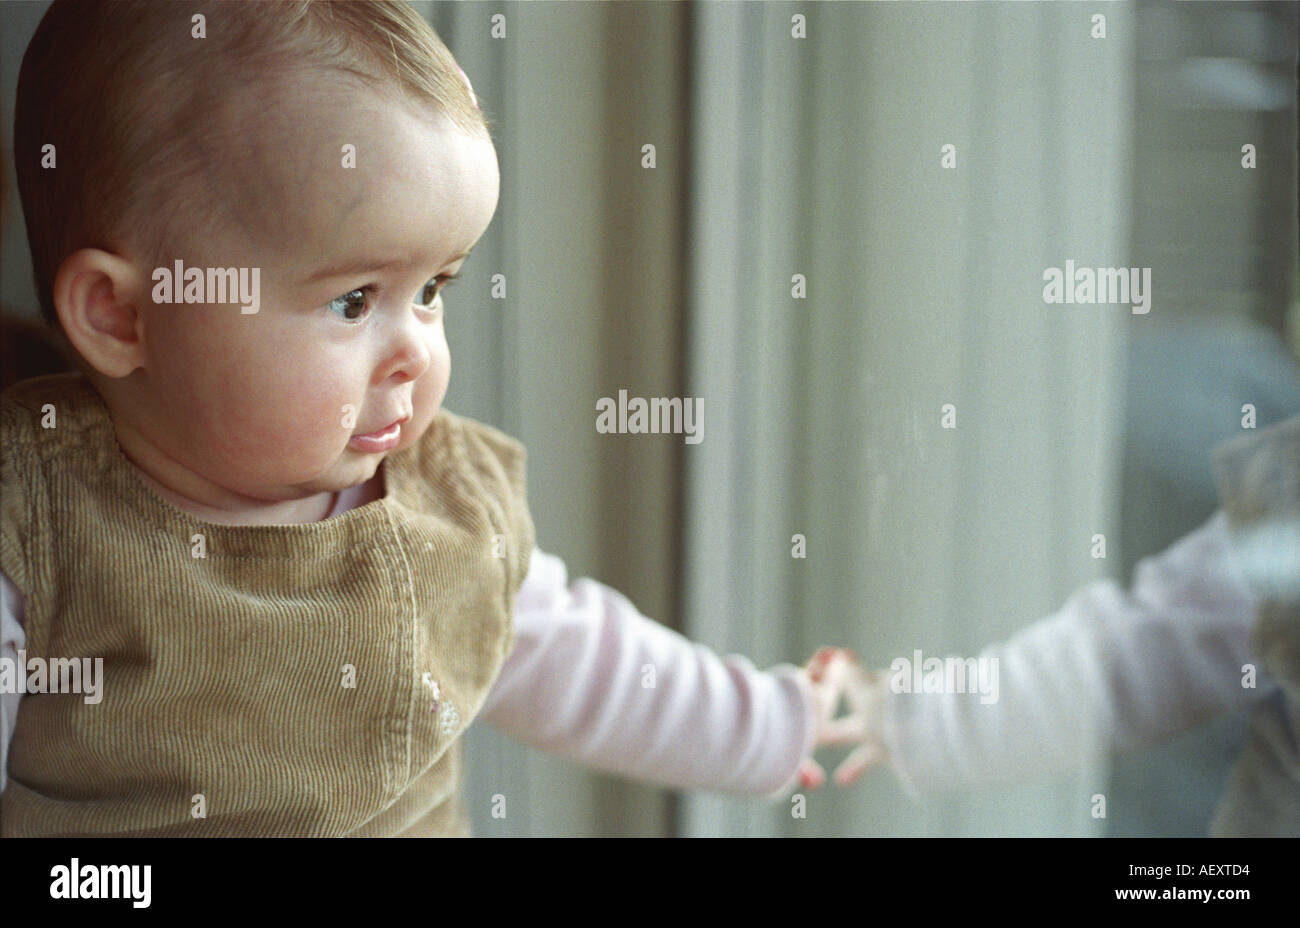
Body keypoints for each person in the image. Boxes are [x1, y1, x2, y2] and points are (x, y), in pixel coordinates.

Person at [0, 0, 867, 836]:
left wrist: (773, 724)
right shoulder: (34, 525)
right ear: (122, 316)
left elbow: (585, 658)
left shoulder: (446, 511)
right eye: (352, 300)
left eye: (433, 291)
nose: (416, 350)